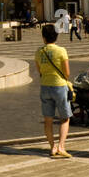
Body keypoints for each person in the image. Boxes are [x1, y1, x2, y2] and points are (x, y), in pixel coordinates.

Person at [34, 24, 73, 159]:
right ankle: (61, 146)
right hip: (59, 86)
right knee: (64, 118)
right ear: (56, 36)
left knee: (48, 119)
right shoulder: (61, 51)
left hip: (45, 86)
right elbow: (67, 73)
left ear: (43, 37)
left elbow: (39, 71)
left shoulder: (39, 52)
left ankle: (52, 147)